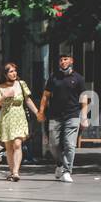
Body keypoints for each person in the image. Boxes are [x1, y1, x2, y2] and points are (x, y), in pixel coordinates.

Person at [38, 52, 85, 183]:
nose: (63, 62)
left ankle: (67, 171)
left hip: (72, 115)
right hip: (55, 115)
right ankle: (59, 165)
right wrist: (41, 111)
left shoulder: (78, 78)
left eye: (65, 59)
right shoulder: (54, 77)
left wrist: (84, 116)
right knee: (53, 144)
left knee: (70, 144)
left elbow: (84, 97)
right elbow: (45, 96)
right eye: (61, 60)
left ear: (71, 61)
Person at [0, 61, 40, 181]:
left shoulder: (21, 84)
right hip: (6, 118)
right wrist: (4, 96)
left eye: (15, 71)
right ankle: (12, 171)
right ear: (5, 74)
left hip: (19, 117)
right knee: (9, 147)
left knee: (17, 144)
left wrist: (37, 112)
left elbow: (27, 100)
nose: (14, 73)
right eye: (11, 72)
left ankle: (16, 172)